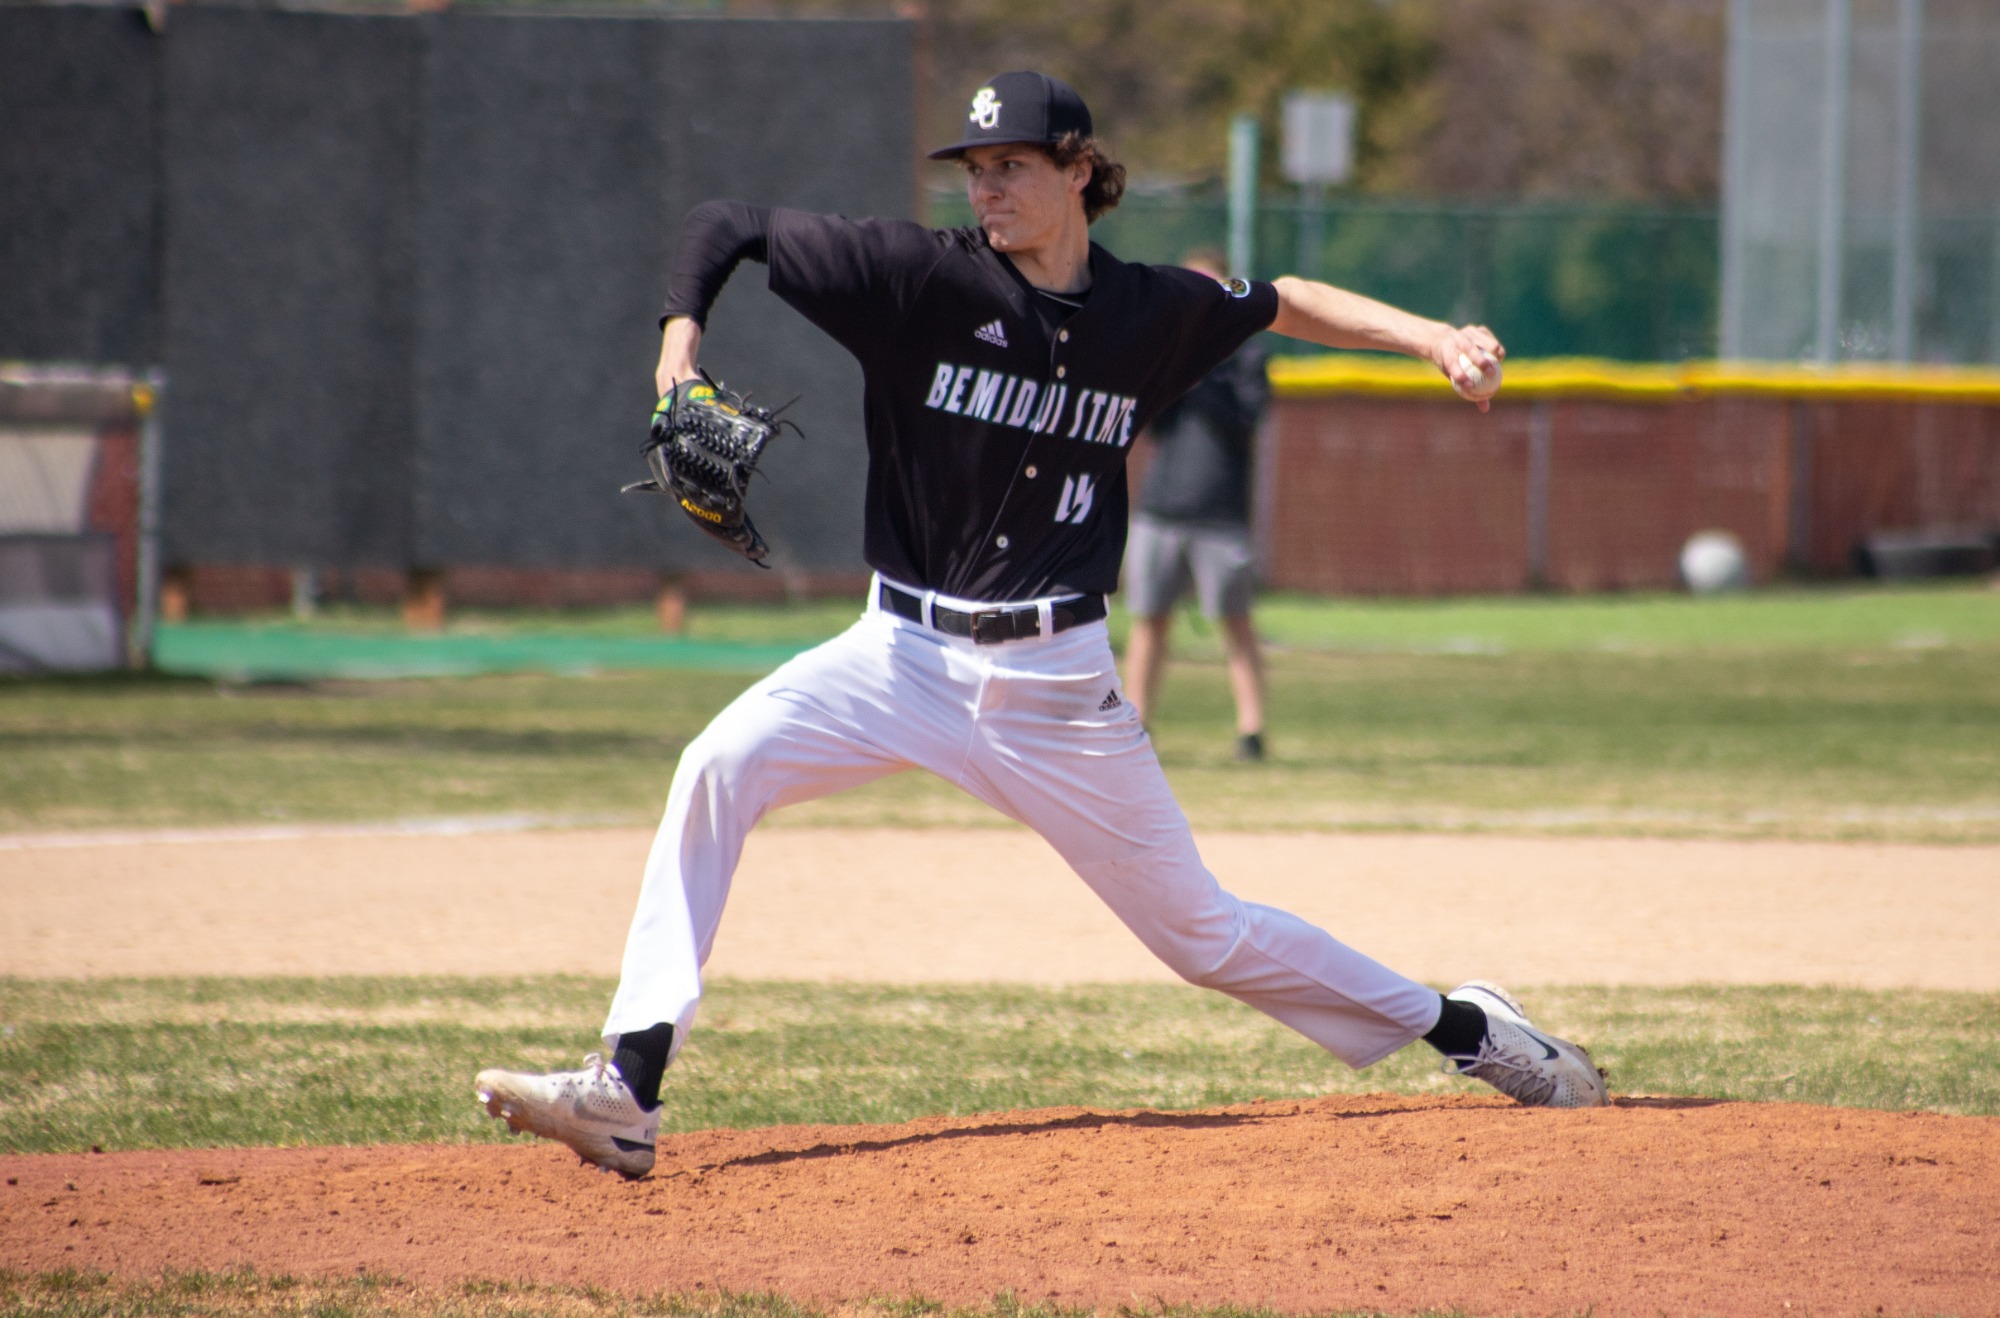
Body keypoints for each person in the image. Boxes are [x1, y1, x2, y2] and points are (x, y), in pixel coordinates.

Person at [474, 71, 1603, 1181]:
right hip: (897, 656)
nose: (986, 189)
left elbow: (1286, 299)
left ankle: (1464, 1026)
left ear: (1078, 171)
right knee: (718, 764)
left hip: (1057, 685)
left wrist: (1432, 337)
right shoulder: (918, 277)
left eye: (1010, 165)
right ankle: (628, 1086)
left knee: (1202, 937)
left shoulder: (1147, 313)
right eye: (974, 169)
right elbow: (724, 224)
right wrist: (676, 352)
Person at [1121, 249, 1270, 760]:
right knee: (1149, 619)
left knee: (1236, 622)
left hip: (1220, 514)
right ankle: (1137, 721)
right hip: (1161, 509)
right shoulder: (1168, 353)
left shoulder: (1245, 355)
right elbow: (1152, 424)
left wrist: (1202, 366)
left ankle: (1251, 731)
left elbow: (1246, 419)